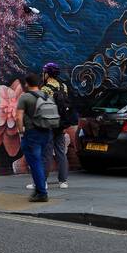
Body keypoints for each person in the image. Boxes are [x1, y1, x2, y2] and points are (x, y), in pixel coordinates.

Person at [28, 62, 73, 191]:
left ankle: (42, 182)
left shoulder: (45, 89)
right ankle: (63, 181)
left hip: (48, 125)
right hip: (61, 124)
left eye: (44, 72)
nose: (43, 74)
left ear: (47, 74)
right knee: (60, 152)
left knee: (45, 154)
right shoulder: (63, 87)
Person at [16, 72, 55, 202]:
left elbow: (18, 117)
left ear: (27, 84)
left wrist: (21, 132)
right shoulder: (46, 95)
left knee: (35, 163)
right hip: (47, 132)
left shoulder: (25, 97)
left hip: (32, 133)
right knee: (41, 161)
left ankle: (42, 193)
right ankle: (38, 190)